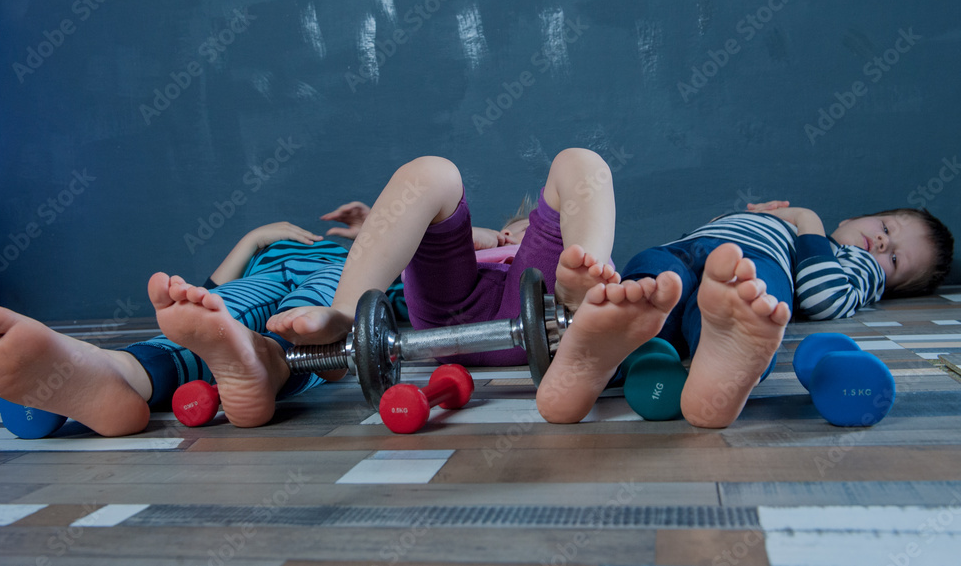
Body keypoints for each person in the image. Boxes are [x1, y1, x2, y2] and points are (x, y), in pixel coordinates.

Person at [266, 149, 685, 425]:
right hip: (455, 305)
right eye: (513, 231)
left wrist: (561, 253)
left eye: (530, 229)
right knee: (431, 172)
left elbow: (551, 232)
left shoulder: (548, 252)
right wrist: (470, 235)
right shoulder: (477, 246)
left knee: (579, 161)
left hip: (548, 301)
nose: (514, 237)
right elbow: (404, 238)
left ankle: (584, 292)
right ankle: (346, 314)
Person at [0, 217, 404, 436]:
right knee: (218, 316)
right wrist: (255, 239)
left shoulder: (375, 263)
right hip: (263, 277)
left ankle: (267, 360)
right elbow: (210, 292)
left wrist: (377, 239)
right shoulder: (269, 252)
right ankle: (118, 371)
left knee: (309, 315)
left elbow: (398, 296)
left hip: (341, 280)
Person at [619, 200, 954, 429]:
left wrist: (807, 218)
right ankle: (625, 340)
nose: (882, 242)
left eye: (894, 260)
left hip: (758, 261)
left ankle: (722, 357)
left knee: (750, 294)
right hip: (689, 248)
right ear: (849, 221)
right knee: (655, 276)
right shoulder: (791, 225)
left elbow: (825, 297)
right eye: (886, 227)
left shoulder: (850, 259)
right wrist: (746, 215)